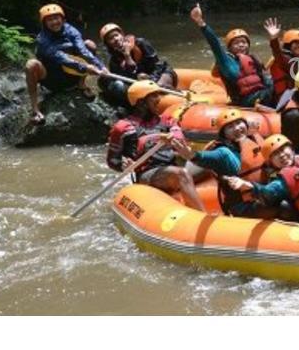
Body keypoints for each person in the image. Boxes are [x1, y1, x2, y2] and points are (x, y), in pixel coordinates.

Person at [106, 80, 205, 212]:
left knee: (212, 158)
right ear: (140, 102)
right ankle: (201, 215)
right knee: (181, 174)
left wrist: (174, 137)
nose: (158, 99)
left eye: (158, 95)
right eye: (153, 96)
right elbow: (112, 160)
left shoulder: (167, 120)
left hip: (174, 165)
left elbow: (179, 137)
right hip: (148, 174)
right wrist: (123, 164)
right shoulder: (123, 127)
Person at [174, 109, 282, 218]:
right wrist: (190, 154)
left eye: (238, 123)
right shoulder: (223, 153)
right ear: (224, 134)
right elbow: (202, 157)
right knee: (283, 207)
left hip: (264, 193)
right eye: (230, 127)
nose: (237, 128)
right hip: (244, 205)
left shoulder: (255, 141)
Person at [25, 4, 109, 125]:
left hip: (72, 76)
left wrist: (100, 66)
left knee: (89, 44)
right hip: (52, 79)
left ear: (63, 19)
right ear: (44, 23)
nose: (54, 22)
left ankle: (81, 84)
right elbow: (60, 57)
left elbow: (82, 50)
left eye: (56, 18)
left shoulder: (71, 30)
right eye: (50, 20)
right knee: (30, 64)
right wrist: (85, 67)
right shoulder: (42, 39)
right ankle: (35, 110)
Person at [189, 3, 273, 108]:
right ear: (230, 47)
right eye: (236, 43)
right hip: (245, 101)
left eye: (244, 42)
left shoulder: (252, 60)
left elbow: (265, 80)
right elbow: (214, 43)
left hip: (261, 96)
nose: (241, 45)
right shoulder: (226, 61)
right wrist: (201, 22)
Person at [98, 22, 177, 107]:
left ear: (122, 35)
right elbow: (128, 80)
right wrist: (127, 56)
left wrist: (152, 81)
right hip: (142, 82)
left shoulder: (140, 43)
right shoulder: (114, 61)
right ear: (108, 44)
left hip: (161, 73)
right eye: (111, 38)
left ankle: (180, 100)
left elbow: (157, 65)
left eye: (116, 35)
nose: (116, 39)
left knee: (160, 86)